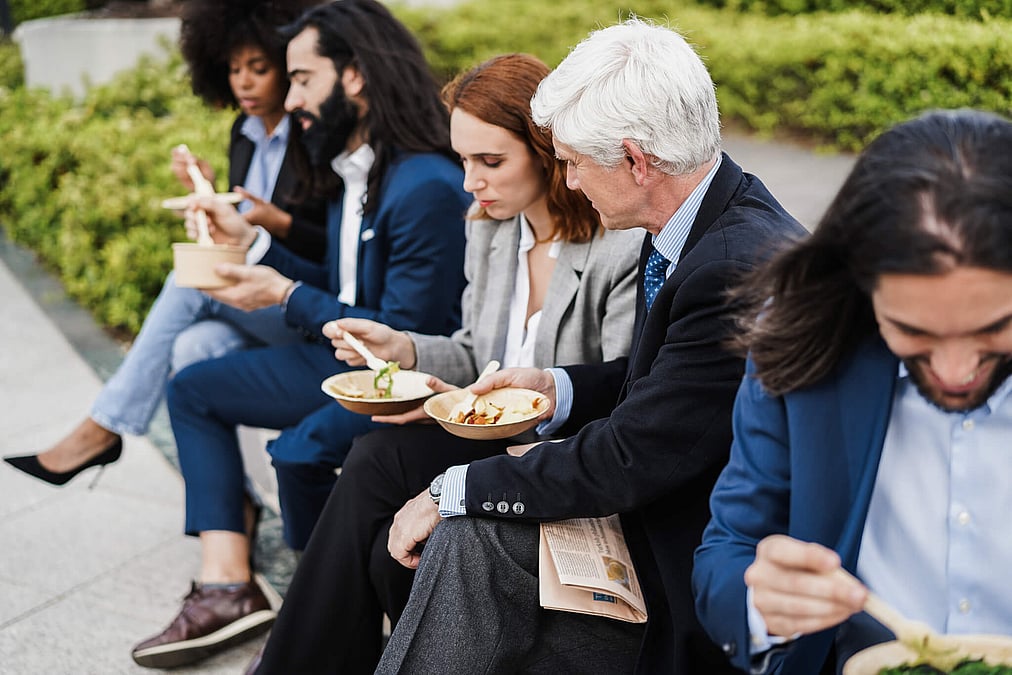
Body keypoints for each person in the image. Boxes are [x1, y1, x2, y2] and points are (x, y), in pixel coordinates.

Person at [376, 18, 806, 675]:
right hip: (659, 526)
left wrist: (451, 488)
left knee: (466, 536)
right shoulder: (706, 215)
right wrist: (560, 386)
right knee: (467, 543)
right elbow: (664, 386)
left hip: (686, 593)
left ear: (636, 161)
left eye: (574, 162)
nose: (568, 181)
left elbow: (632, 453)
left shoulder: (730, 265)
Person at [249, 52, 643, 675]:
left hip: (559, 461)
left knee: (379, 485)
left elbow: (620, 395)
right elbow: (471, 352)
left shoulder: (617, 247)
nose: (470, 182)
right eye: (464, 159)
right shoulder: (490, 228)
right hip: (489, 441)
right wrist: (401, 349)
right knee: (377, 483)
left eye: (490, 162)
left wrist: (503, 415)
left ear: (549, 152)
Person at [129, 0, 470, 668]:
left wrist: (284, 293)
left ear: (355, 78)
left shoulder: (422, 183)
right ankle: (232, 584)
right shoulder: (356, 165)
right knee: (193, 387)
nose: (293, 96)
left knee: (298, 452)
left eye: (303, 77)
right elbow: (336, 279)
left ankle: (326, 614)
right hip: (337, 358)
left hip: (396, 381)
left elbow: (399, 336)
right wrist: (252, 241)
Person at [692, 109, 1012, 674]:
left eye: (994, 329)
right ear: (861, 287)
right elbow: (729, 550)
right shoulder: (802, 342)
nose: (957, 371)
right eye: (914, 332)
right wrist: (764, 602)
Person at [3, 0, 326, 486]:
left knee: (191, 277)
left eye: (258, 69)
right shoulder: (243, 133)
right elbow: (240, 222)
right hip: (250, 298)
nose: (244, 82)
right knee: (195, 347)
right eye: (234, 69)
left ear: (286, 67)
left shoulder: (312, 138)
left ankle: (102, 428)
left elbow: (329, 249)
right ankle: (233, 511)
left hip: (302, 302)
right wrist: (207, 186)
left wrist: (276, 222)